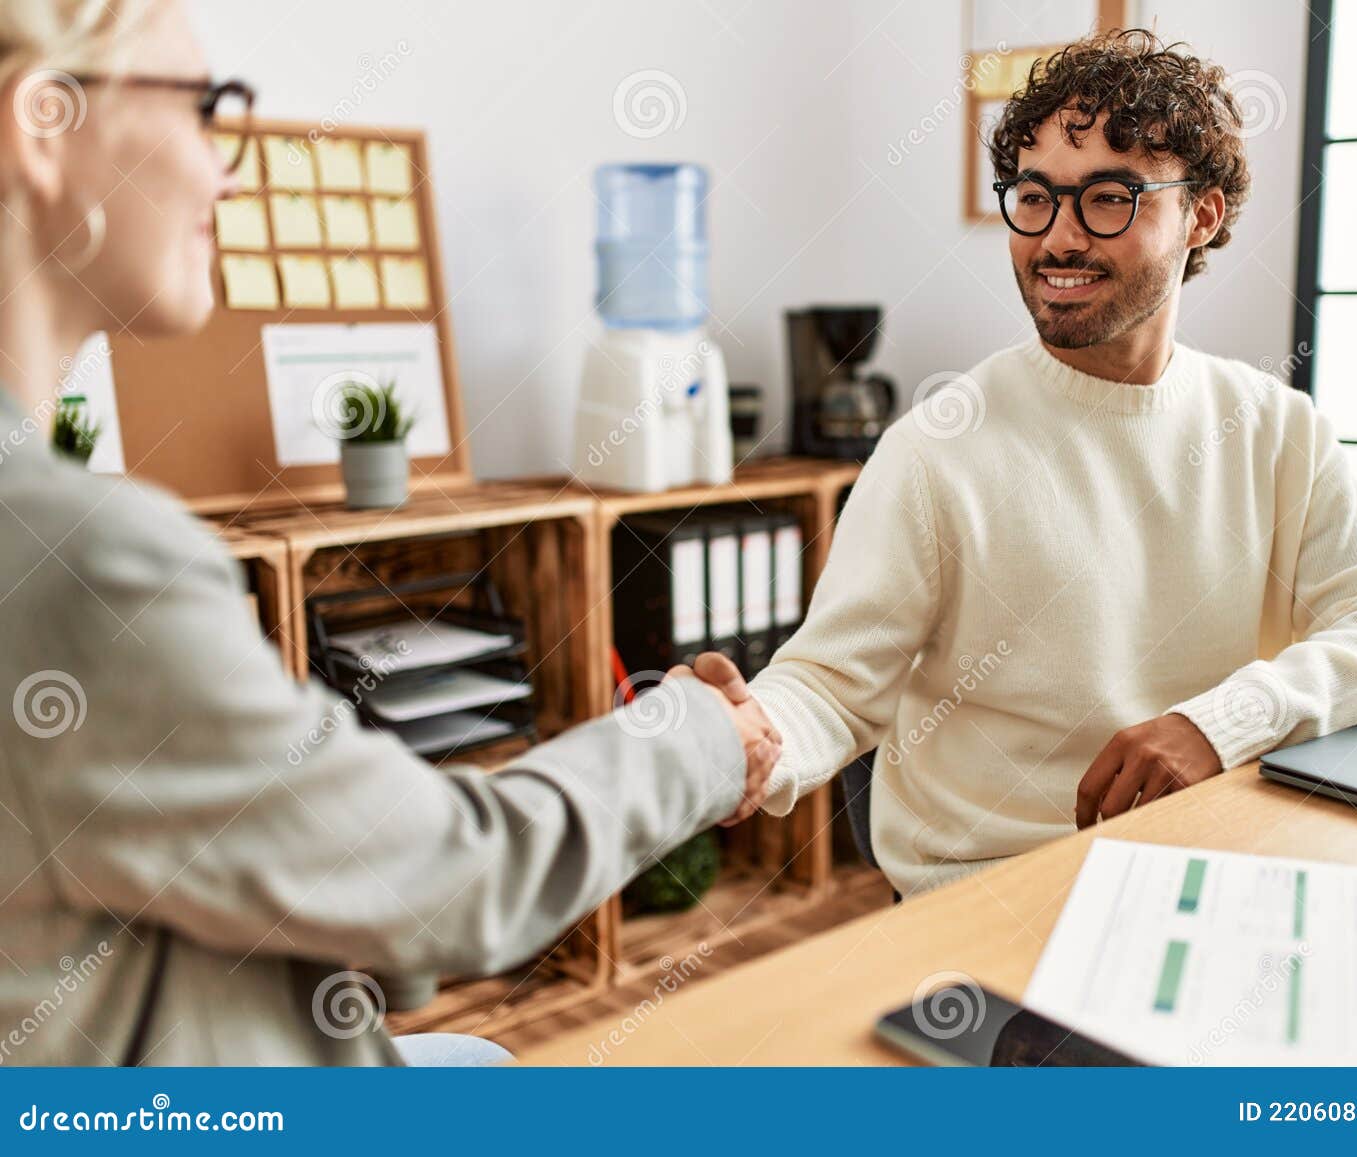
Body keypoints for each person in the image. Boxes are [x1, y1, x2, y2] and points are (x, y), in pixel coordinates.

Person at [0, 0, 778, 1065]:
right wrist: (687, 734)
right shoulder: (79, 560)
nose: (228, 172)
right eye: (205, 108)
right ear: (38, 124)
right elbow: (455, 884)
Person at [747, 30, 1357, 899]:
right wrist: (751, 732)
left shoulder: (1276, 428)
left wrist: (1219, 723)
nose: (1059, 240)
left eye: (1109, 199)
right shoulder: (937, 450)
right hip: (984, 899)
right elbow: (830, 686)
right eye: (1035, 198)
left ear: (1204, 213)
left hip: (1211, 874)